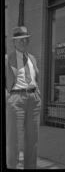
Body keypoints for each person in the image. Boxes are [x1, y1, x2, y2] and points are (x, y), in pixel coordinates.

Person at [5, 26, 41, 169]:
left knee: (33, 139)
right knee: (13, 138)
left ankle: (30, 167)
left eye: (25, 39)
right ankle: (11, 166)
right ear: (14, 42)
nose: (23, 42)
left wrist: (37, 93)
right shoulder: (8, 59)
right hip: (16, 99)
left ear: (28, 41)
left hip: (34, 100)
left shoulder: (32, 58)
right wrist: (8, 97)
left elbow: (35, 78)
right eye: (19, 40)